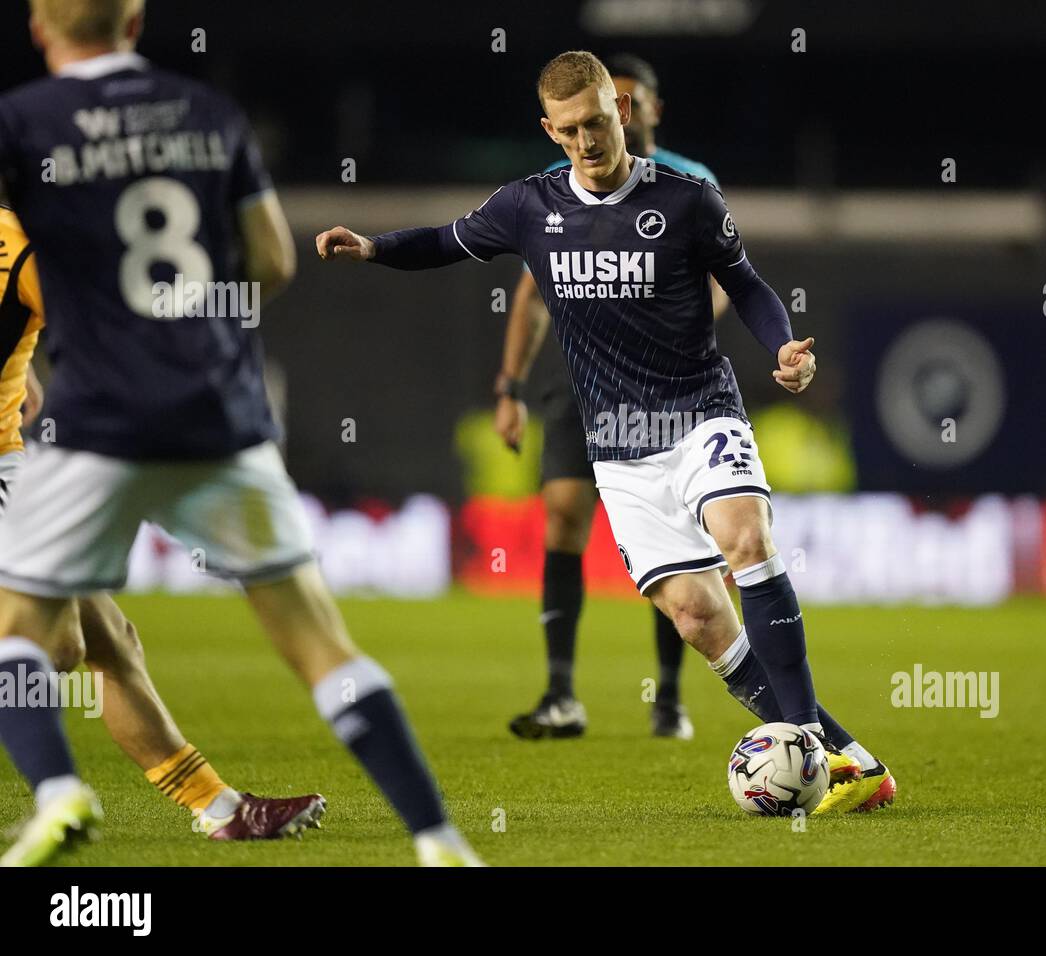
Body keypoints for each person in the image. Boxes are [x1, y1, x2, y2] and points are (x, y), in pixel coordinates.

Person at [317, 50, 896, 814]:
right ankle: (853, 759)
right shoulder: (529, 206)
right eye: (570, 129)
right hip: (620, 447)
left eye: (597, 121)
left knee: (745, 538)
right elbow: (447, 241)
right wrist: (372, 248)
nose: (587, 140)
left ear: (621, 112)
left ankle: (807, 748)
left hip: (699, 412)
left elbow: (749, 286)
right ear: (550, 130)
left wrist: (782, 346)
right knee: (696, 616)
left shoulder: (689, 201)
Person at [0, 0, 478, 866]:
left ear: (40, 27)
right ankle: (437, 838)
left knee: (67, 642)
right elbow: (272, 265)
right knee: (296, 640)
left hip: (84, 429)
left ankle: (96, 794)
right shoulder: (207, 113)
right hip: (209, 411)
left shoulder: (24, 135)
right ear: (136, 21)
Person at [0, 203, 327, 843]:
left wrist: (26, 376)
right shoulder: (20, 239)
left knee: (108, 641)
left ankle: (219, 808)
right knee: (57, 646)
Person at [495, 53, 729, 741]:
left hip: (662, 380)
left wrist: (671, 334)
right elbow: (531, 294)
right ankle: (561, 693)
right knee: (564, 515)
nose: (592, 131)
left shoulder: (691, 183)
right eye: (577, 122)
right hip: (578, 376)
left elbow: (722, 279)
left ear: (646, 109)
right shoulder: (552, 191)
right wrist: (510, 385)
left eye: (620, 104)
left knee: (674, 536)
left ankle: (669, 701)